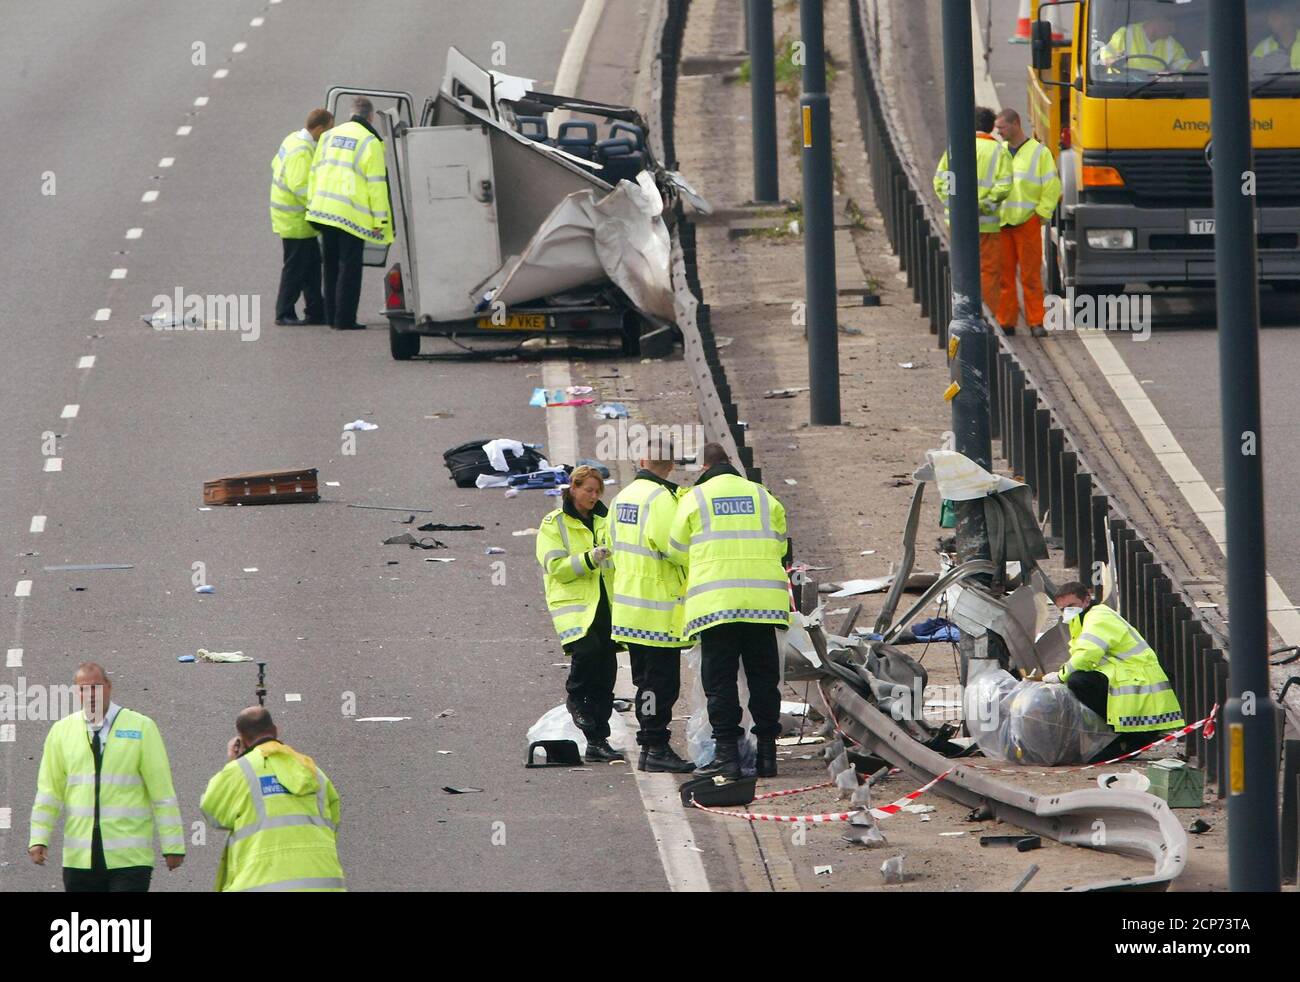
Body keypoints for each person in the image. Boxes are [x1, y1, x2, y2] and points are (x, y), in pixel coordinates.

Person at [668, 443, 790, 781]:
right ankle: (767, 755)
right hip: (763, 605)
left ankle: (728, 756)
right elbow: (781, 544)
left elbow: (676, 550)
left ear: (705, 468)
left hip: (716, 606)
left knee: (720, 681)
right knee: (763, 678)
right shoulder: (764, 496)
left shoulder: (695, 498)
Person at [28, 663, 185, 892]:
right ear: (76, 692)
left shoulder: (141, 727)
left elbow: (162, 793)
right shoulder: (62, 732)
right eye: (84, 689)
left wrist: (173, 846)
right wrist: (39, 838)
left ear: (109, 687)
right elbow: (49, 792)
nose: (91, 694)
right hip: (80, 858)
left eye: (96, 687)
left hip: (130, 858)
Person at [608, 446, 695, 774]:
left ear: (643, 462)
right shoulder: (660, 499)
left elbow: (613, 545)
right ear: (671, 465)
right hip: (658, 611)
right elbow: (675, 549)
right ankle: (655, 746)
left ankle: (649, 746)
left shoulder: (623, 497)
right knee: (662, 685)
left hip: (630, 609)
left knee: (646, 682)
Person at [199, 706, 345, 892]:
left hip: (260, 883)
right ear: (276, 730)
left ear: (241, 739)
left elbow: (213, 813)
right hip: (324, 883)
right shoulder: (313, 772)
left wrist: (233, 762)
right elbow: (333, 822)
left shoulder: (240, 771)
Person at [535, 464, 624, 762]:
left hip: (606, 604)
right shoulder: (554, 523)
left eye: (598, 491)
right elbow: (556, 567)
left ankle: (598, 739)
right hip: (575, 606)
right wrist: (589, 558)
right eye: (588, 490)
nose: (593, 496)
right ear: (573, 488)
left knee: (606, 671)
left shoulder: (606, 518)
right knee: (588, 656)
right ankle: (577, 701)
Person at [1044, 581, 1185, 758]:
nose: (1067, 612)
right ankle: (1121, 736)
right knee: (1094, 756)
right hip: (1128, 678)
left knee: (1077, 681)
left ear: (1087, 599)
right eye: (1062, 609)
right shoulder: (1081, 620)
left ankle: (1127, 736)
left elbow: (1086, 655)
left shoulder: (1098, 617)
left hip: (1138, 683)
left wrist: (1060, 675)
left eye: (1071, 606)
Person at [306, 96, 393, 331]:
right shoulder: (370, 142)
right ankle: (344, 319)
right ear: (371, 117)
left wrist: (311, 205)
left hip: (323, 210)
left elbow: (315, 172)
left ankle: (331, 315)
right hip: (349, 214)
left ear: (350, 114)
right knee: (350, 267)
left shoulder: (329, 136)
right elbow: (376, 184)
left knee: (330, 264)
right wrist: (381, 219)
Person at [933, 107, 1013, 323]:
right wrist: (984, 205)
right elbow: (1004, 187)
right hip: (986, 224)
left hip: (957, 224)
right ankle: (986, 320)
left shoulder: (955, 148)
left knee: (960, 267)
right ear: (990, 128)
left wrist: (957, 207)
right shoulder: (998, 151)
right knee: (988, 272)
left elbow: (939, 182)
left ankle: (959, 314)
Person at [993, 108, 1061, 339]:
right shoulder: (998, 151)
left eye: (1001, 127)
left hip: (1026, 223)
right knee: (1004, 276)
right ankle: (1006, 321)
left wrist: (1041, 214)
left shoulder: (1039, 153)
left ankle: (1036, 321)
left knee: (1031, 276)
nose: (998, 132)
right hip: (1002, 224)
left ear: (1015, 124)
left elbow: (1052, 186)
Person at [271, 109, 332, 326]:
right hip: (295, 219)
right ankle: (284, 312)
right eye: (327, 130)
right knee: (295, 268)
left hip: (296, 219)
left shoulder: (292, 140)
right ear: (319, 128)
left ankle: (316, 310)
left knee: (312, 266)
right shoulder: (301, 151)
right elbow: (300, 186)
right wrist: (320, 207)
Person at [1098, 10, 1198, 72]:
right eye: (1171, 26)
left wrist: (1202, 62)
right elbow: (1106, 56)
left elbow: (1186, 67)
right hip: (1124, 90)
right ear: (1158, 21)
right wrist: (1113, 60)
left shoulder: (1171, 44)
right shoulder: (1126, 33)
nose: (1173, 30)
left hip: (1157, 91)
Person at [1252, 0, 1300, 70]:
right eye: (1269, 18)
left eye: (1274, 18)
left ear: (1288, 18)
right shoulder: (1263, 47)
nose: (1269, 22)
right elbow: (1253, 72)